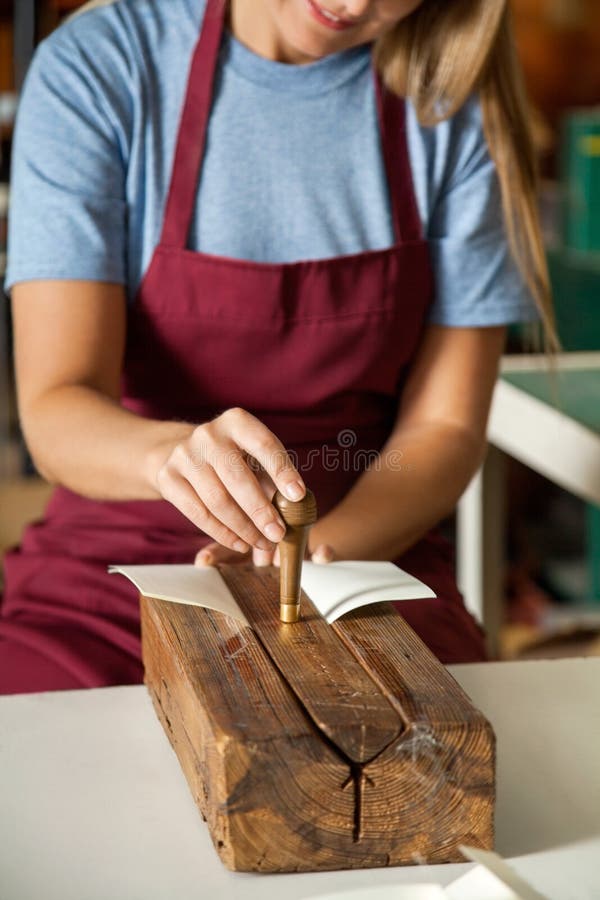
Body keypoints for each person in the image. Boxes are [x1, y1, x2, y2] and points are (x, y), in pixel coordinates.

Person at [0, 0, 556, 693]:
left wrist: (305, 556)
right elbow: (58, 407)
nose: (353, 4)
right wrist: (171, 458)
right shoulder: (101, 67)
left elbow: (443, 427)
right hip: (115, 556)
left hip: (362, 551)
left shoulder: (453, 104)